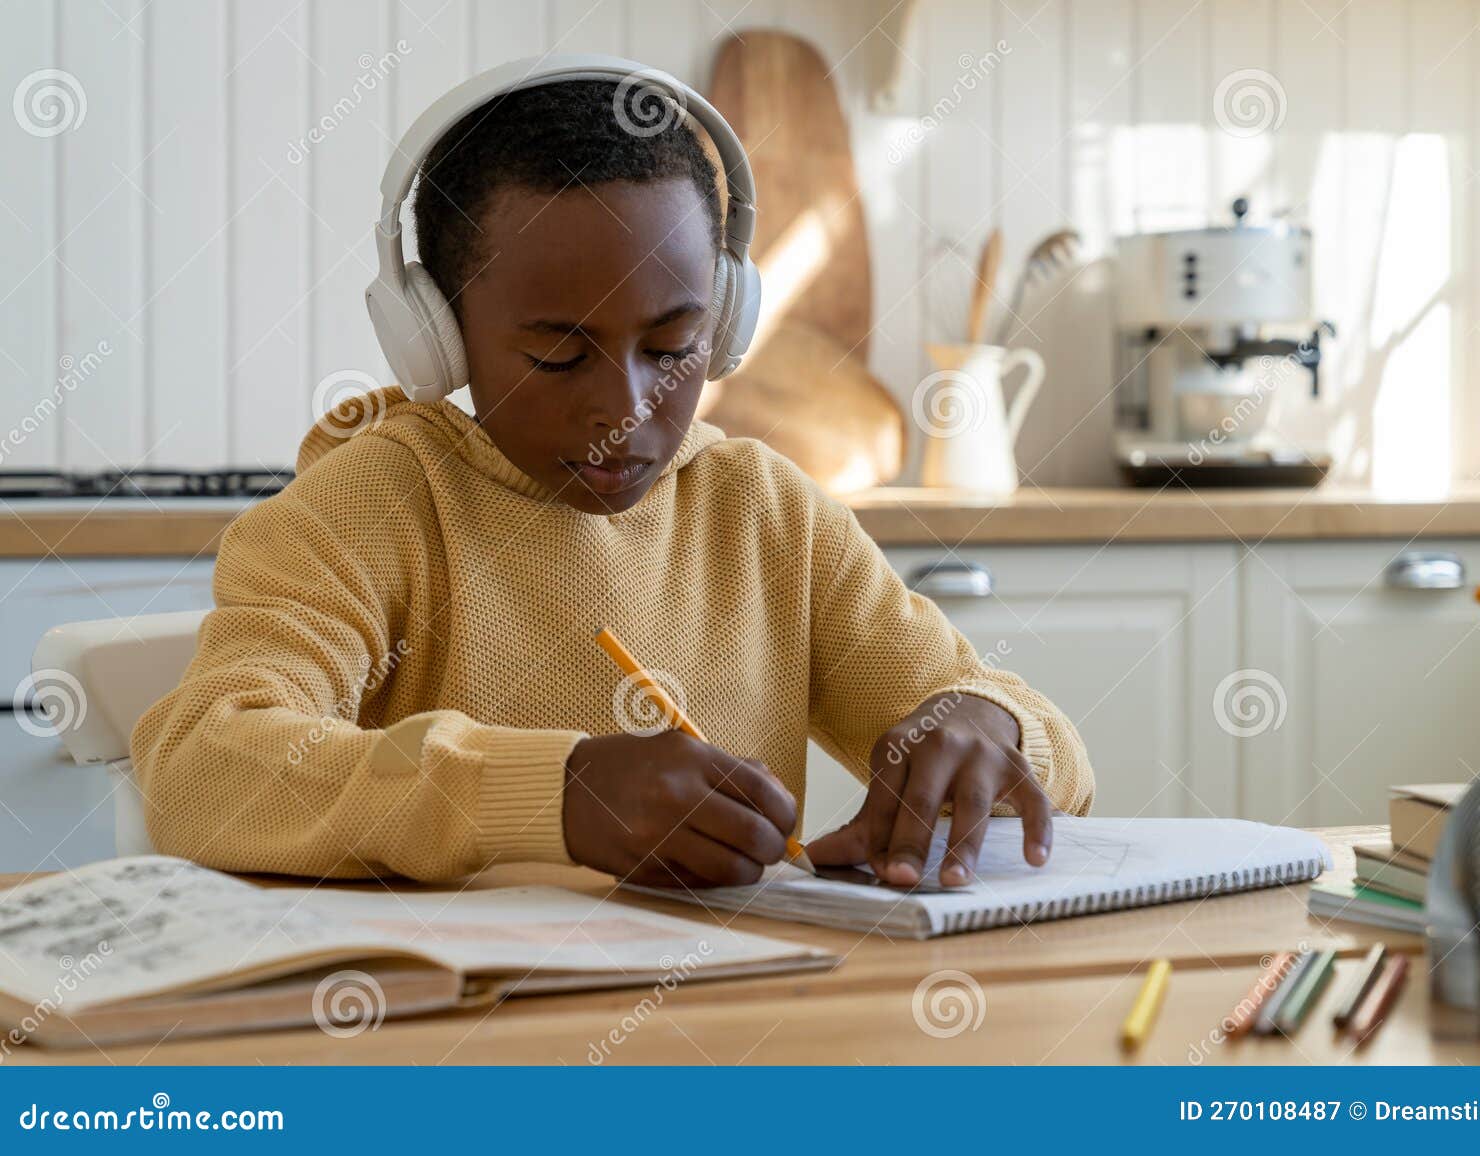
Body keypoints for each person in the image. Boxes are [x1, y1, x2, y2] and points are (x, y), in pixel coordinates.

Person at [131, 64, 1092, 892]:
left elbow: (1062, 768)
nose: (624, 408)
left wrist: (989, 728)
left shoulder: (765, 516)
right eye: (558, 357)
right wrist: (555, 793)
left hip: (739, 1034)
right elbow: (204, 770)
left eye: (671, 348)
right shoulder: (366, 511)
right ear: (439, 336)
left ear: (723, 325)